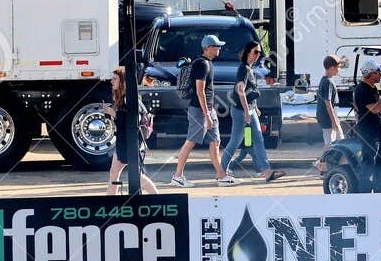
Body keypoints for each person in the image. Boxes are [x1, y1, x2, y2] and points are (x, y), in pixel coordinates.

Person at [170, 35, 234, 187]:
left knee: (215, 141)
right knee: (190, 142)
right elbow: (200, 92)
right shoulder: (202, 65)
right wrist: (207, 115)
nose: (219, 48)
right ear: (208, 48)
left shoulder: (208, 63)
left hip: (208, 110)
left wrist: (210, 113)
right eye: (217, 46)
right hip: (199, 110)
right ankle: (177, 176)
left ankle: (221, 176)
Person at [224, 41, 286, 183]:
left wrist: (255, 107)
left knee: (258, 139)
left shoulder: (250, 69)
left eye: (260, 53)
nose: (258, 55)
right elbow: (241, 91)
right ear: (247, 52)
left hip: (250, 110)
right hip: (241, 111)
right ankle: (222, 171)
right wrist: (247, 111)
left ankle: (267, 171)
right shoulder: (244, 69)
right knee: (236, 141)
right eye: (255, 52)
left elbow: (250, 91)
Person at [107, 66, 158, 194]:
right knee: (115, 173)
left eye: (115, 79)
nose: (111, 81)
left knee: (136, 175)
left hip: (129, 143)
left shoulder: (128, 99)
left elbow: (131, 121)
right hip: (125, 143)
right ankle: (108, 203)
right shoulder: (126, 97)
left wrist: (113, 114)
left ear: (122, 82)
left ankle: (157, 197)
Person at [352, 59, 381, 193]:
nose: (380, 75)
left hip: (378, 132)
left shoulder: (372, 88)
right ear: (371, 74)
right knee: (369, 163)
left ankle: (379, 191)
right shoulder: (362, 89)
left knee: (380, 164)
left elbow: (378, 110)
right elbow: (375, 109)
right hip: (369, 134)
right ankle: (364, 193)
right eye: (378, 72)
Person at [316, 55, 343, 145]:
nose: (339, 70)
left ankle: (335, 158)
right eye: (338, 67)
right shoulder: (328, 82)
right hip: (328, 119)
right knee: (330, 143)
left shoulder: (326, 80)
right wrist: (334, 121)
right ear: (332, 68)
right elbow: (328, 103)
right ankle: (326, 159)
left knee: (340, 141)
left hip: (329, 117)